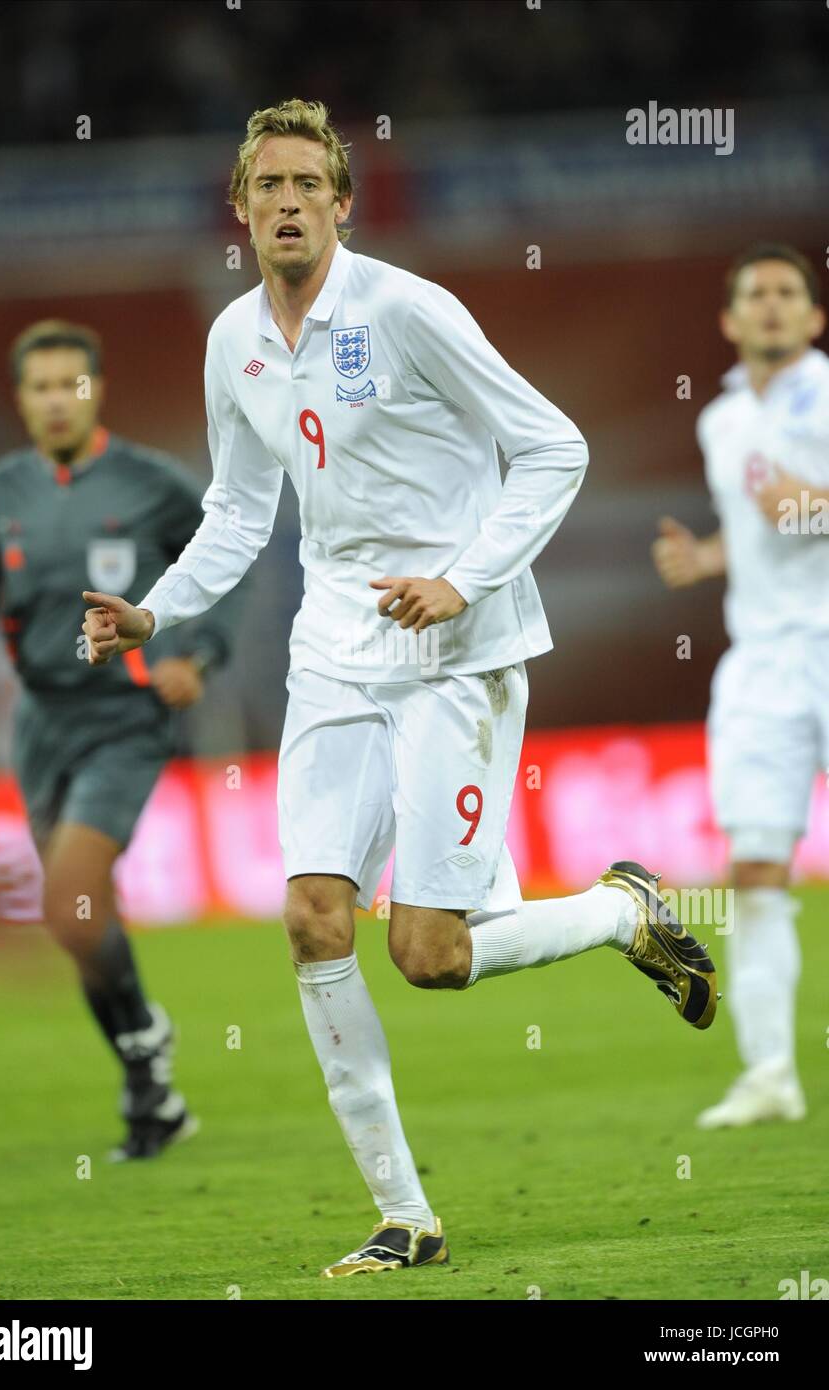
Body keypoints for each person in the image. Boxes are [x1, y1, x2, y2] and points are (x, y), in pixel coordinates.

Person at [84, 99, 717, 1274]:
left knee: (431, 952)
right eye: (265, 184)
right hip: (332, 650)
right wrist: (153, 609)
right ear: (240, 205)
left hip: (454, 653)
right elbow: (236, 509)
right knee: (312, 916)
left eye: (305, 186)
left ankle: (624, 911)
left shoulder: (410, 310)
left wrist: (464, 580)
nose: (285, 202)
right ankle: (404, 1218)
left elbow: (555, 447)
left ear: (340, 204)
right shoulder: (237, 340)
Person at [0, 319, 237, 1159]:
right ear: (21, 397)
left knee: (70, 894)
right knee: (80, 918)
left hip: (125, 716)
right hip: (38, 720)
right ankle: (148, 1067)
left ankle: (144, 1047)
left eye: (71, 384)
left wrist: (203, 657)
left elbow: (226, 558)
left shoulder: (154, 482)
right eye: (39, 387)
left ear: (95, 390)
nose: (55, 401)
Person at [653, 243, 827, 1129]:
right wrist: (707, 558)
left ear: (813, 314)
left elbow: (805, 510)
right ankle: (770, 1074)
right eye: (753, 294)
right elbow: (758, 530)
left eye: (786, 292)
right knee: (755, 865)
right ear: (729, 320)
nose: (769, 305)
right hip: (762, 659)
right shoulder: (720, 418)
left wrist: (813, 503)